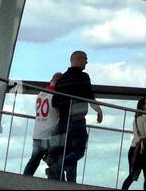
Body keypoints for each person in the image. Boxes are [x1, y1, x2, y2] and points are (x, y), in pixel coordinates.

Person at [46, 50, 102, 183]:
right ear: (77, 59)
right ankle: (58, 169)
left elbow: (55, 102)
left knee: (66, 150)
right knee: (79, 151)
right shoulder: (83, 77)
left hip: (63, 121)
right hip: (77, 120)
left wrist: (63, 110)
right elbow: (89, 95)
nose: (87, 62)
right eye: (85, 59)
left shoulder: (62, 79)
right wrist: (99, 110)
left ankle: (67, 180)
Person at [22, 72, 62, 176]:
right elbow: (59, 114)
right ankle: (58, 183)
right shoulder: (56, 96)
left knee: (34, 160)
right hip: (50, 133)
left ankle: (24, 179)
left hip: (37, 132)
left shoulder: (40, 94)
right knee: (54, 161)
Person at [122, 97, 146, 190]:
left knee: (131, 175)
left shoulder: (136, 118)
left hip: (134, 149)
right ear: (143, 105)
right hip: (144, 152)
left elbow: (137, 135)